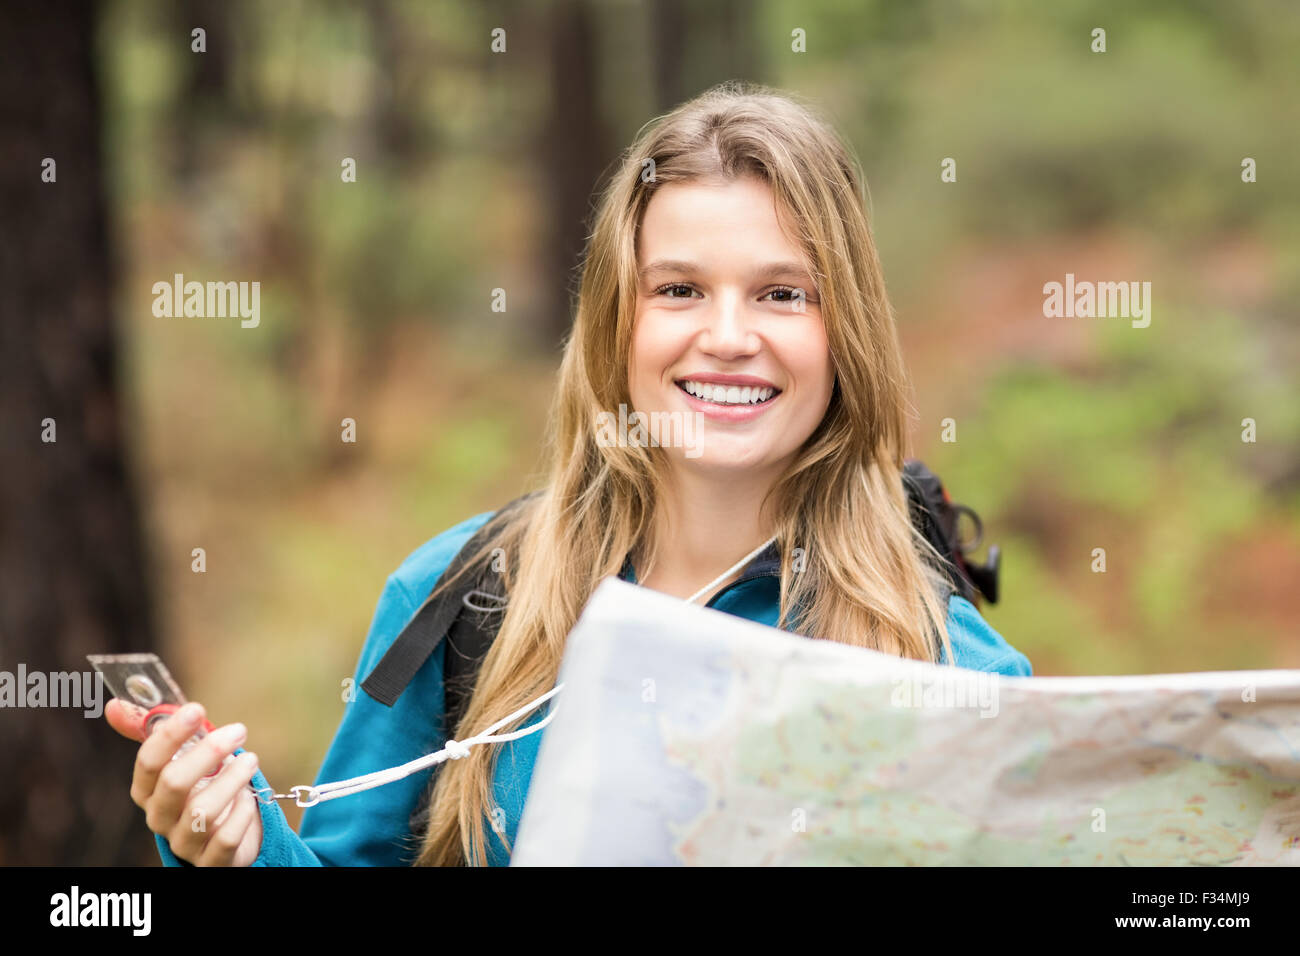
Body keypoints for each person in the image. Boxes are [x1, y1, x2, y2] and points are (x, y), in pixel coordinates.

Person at [105, 80, 1032, 867]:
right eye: (678, 289)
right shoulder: (456, 603)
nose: (729, 337)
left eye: (782, 294)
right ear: (615, 324)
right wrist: (234, 846)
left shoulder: (947, 663)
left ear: (846, 336)